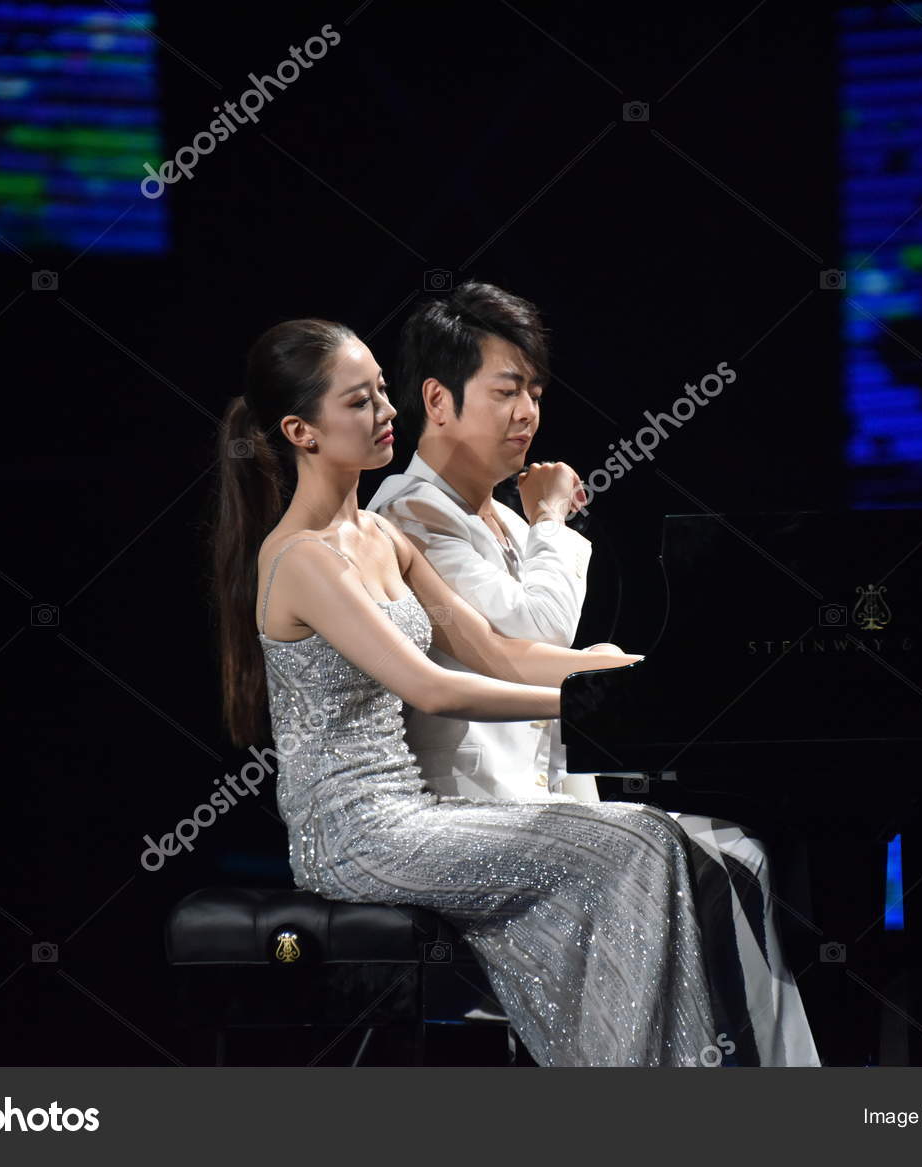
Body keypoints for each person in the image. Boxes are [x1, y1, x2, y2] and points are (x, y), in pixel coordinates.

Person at [210, 317, 769, 1066]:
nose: (385, 413)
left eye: (382, 392)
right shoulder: (302, 558)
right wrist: (595, 705)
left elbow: (497, 651)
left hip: (412, 811)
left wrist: (634, 670)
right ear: (300, 430)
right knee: (636, 841)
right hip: (353, 836)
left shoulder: (383, 540)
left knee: (648, 836)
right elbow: (434, 688)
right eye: (359, 402)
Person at [367, 282, 820, 1066]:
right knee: (713, 866)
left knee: (740, 855)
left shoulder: (502, 518)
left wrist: (633, 667)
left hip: (540, 802)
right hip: (467, 815)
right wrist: (551, 521)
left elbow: (537, 647)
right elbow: (526, 635)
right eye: (507, 391)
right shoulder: (409, 512)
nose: (527, 414)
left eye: (535, 393)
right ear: (438, 400)